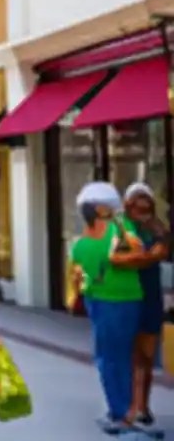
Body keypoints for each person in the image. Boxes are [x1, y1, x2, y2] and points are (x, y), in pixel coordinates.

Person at [71, 181, 148, 433]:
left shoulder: (118, 230)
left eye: (88, 206)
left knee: (110, 358)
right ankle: (123, 409)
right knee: (117, 356)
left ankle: (121, 413)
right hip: (116, 299)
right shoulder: (115, 230)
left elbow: (80, 271)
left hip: (111, 301)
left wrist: (80, 291)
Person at [122, 182, 169, 429]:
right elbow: (123, 260)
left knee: (147, 356)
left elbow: (162, 252)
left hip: (150, 297)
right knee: (132, 356)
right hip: (127, 296)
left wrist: (156, 242)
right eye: (136, 205)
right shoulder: (121, 229)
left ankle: (143, 405)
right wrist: (147, 257)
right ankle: (132, 405)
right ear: (128, 206)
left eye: (146, 205)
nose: (142, 210)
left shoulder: (157, 230)